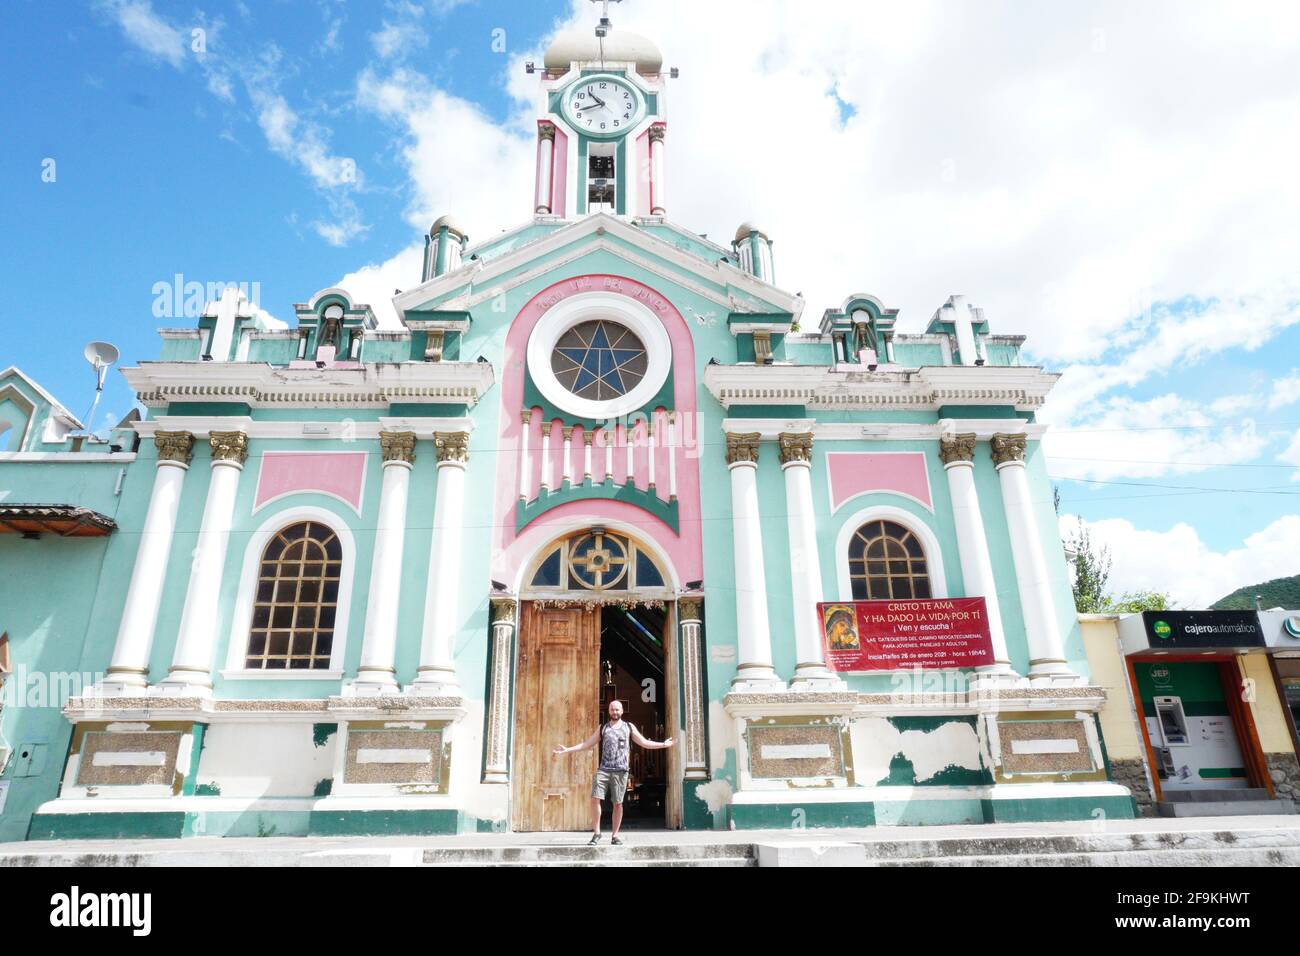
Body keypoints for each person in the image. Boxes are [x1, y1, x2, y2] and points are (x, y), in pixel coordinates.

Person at [552, 699, 674, 845]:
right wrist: (567, 750)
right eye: (612, 709)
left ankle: (615, 835)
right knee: (595, 798)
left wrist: (663, 744)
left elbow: (644, 742)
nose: (614, 712)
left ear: (622, 711)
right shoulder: (603, 727)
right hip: (603, 769)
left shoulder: (629, 727)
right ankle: (596, 833)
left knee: (618, 803)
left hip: (621, 771)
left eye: (617, 709)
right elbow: (587, 743)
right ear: (609, 711)